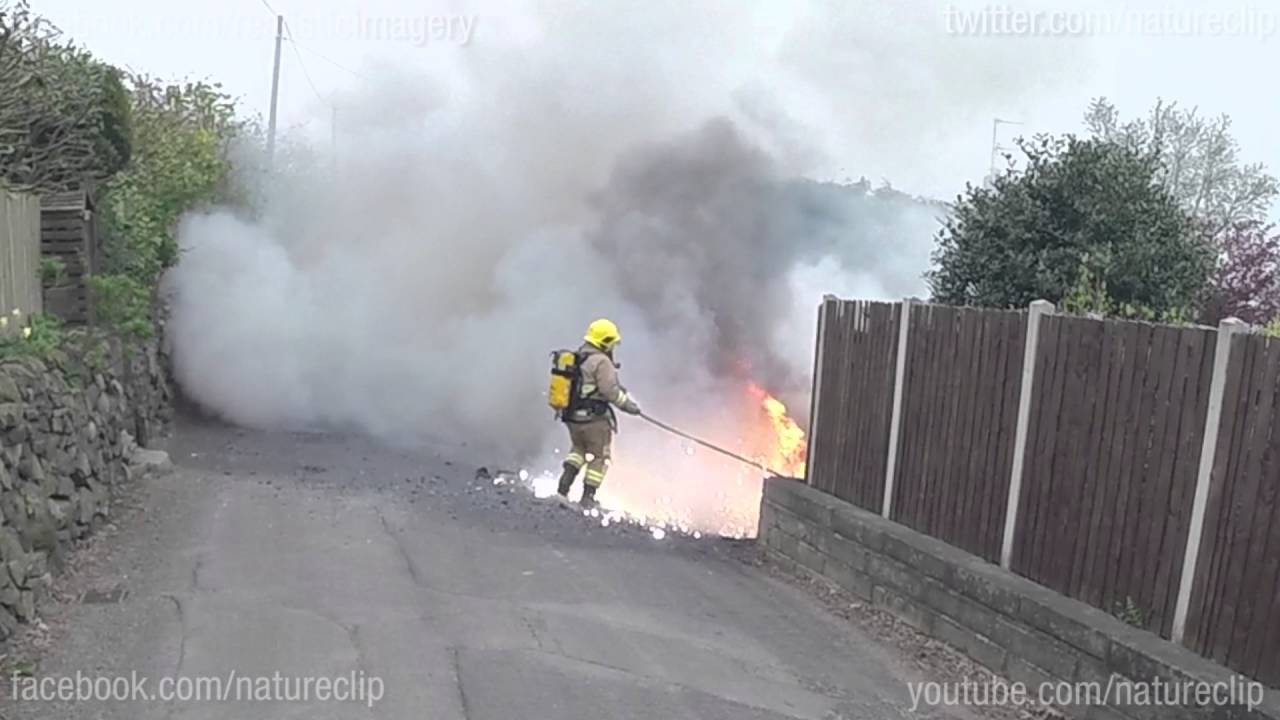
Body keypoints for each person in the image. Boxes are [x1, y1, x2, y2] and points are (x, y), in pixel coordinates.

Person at [557, 318, 640, 508]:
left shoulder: (579, 357)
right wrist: (629, 406)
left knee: (578, 450)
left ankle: (562, 489)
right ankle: (588, 499)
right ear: (605, 342)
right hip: (594, 420)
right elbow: (609, 391)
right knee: (599, 457)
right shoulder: (602, 362)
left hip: (573, 419)